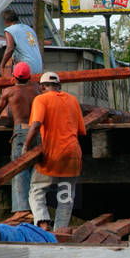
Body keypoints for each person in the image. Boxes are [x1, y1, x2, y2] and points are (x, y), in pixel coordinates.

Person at [23, 71, 86, 231]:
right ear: (59, 86)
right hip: (72, 155)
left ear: (42, 86)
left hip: (53, 154)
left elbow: (36, 124)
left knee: (37, 189)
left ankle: (43, 223)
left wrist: (26, 146)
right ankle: (60, 231)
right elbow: (80, 130)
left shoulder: (41, 99)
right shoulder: (73, 100)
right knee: (65, 196)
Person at [0, 61, 43, 214]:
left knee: (20, 170)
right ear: (30, 77)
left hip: (21, 131)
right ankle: (37, 208)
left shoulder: (10, 91)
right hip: (37, 130)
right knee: (38, 169)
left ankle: (22, 210)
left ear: (14, 77)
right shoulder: (37, 89)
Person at [0, 8, 43, 76]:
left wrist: (2, 65)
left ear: (6, 21)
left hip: (26, 67)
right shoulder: (29, 29)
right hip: (39, 66)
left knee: (20, 85)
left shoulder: (10, 30)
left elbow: (10, 48)